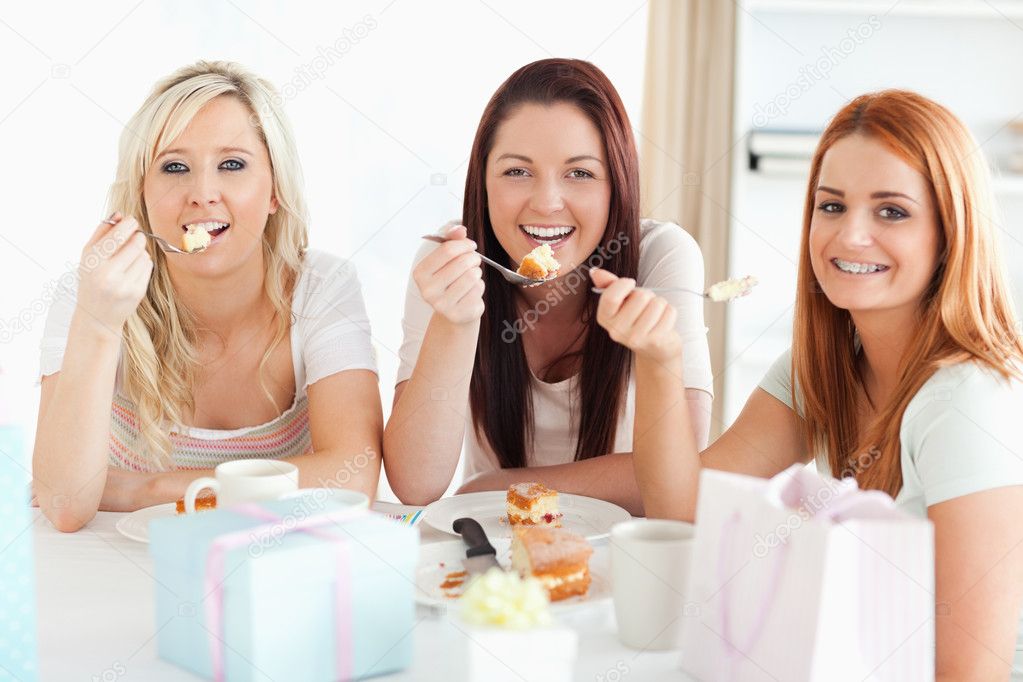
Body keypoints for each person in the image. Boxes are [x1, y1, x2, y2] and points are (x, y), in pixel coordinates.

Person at [625, 89, 1023, 678]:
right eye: (832, 206)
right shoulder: (821, 364)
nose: (850, 236)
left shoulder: (967, 402)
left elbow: (970, 673)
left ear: (949, 234)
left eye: (892, 211)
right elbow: (685, 510)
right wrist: (657, 360)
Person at [34, 61, 382, 532]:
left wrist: (143, 488)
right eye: (174, 167)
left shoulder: (321, 288)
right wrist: (98, 322)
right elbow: (65, 503)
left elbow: (353, 479)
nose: (202, 193)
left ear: (275, 188)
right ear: (142, 191)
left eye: (232, 164)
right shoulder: (88, 293)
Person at [384, 58, 713, 513]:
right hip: (497, 553)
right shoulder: (451, 264)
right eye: (517, 171)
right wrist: (456, 322)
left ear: (617, 184)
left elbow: (683, 472)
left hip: (624, 554)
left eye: (579, 173)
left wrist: (499, 485)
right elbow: (415, 484)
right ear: (482, 181)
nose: (547, 202)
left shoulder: (661, 256)